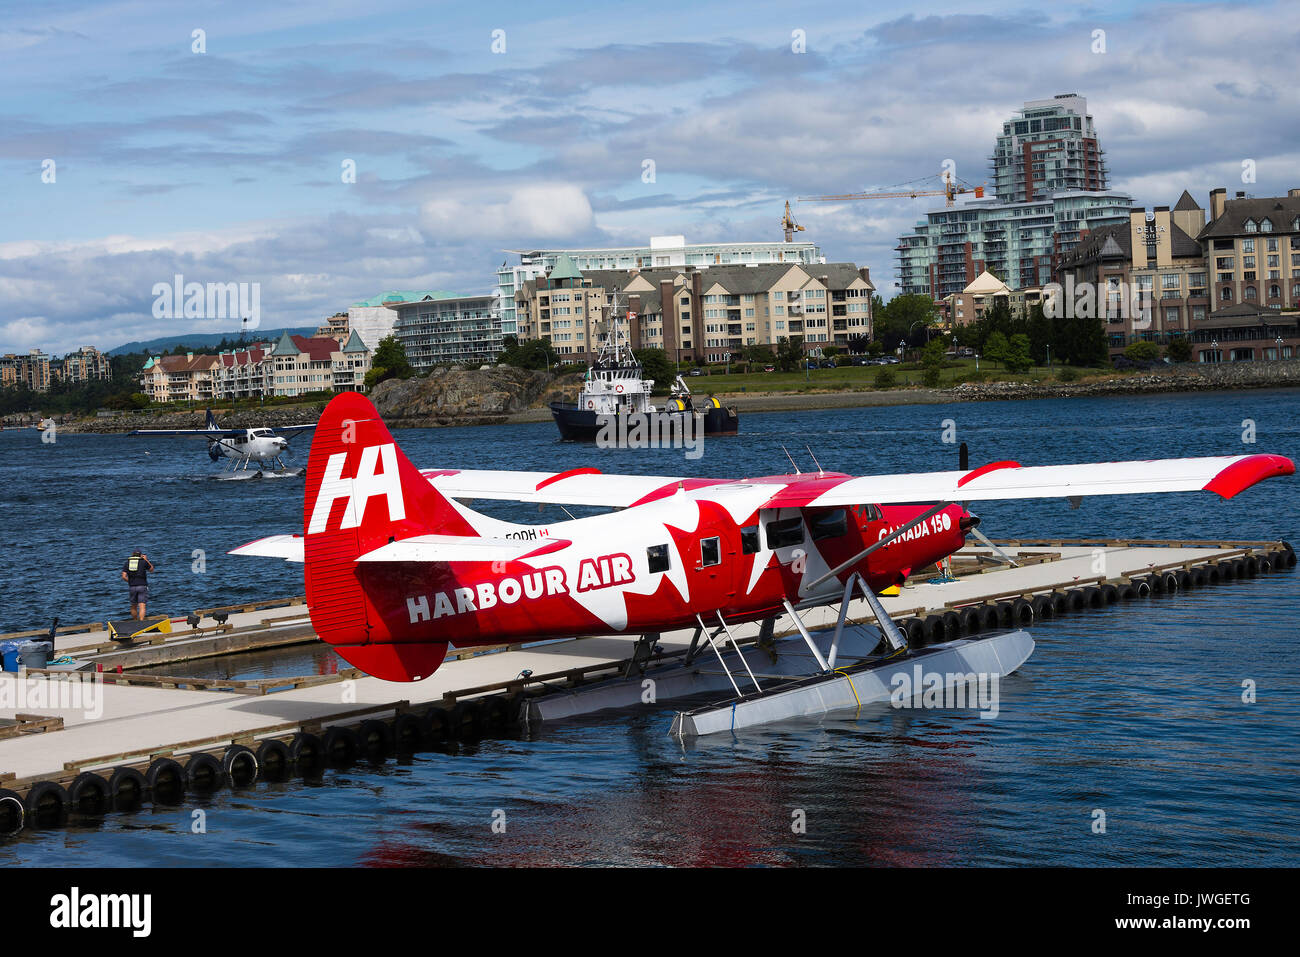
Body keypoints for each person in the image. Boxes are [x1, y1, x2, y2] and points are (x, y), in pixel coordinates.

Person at [121, 549, 155, 620]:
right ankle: (141, 621)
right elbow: (151, 570)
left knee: (133, 606)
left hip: (132, 586)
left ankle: (135, 621)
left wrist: (130, 582)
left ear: (132, 555)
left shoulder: (127, 563)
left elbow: (124, 576)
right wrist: (146, 560)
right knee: (142, 605)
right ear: (140, 555)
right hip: (142, 586)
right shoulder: (143, 562)